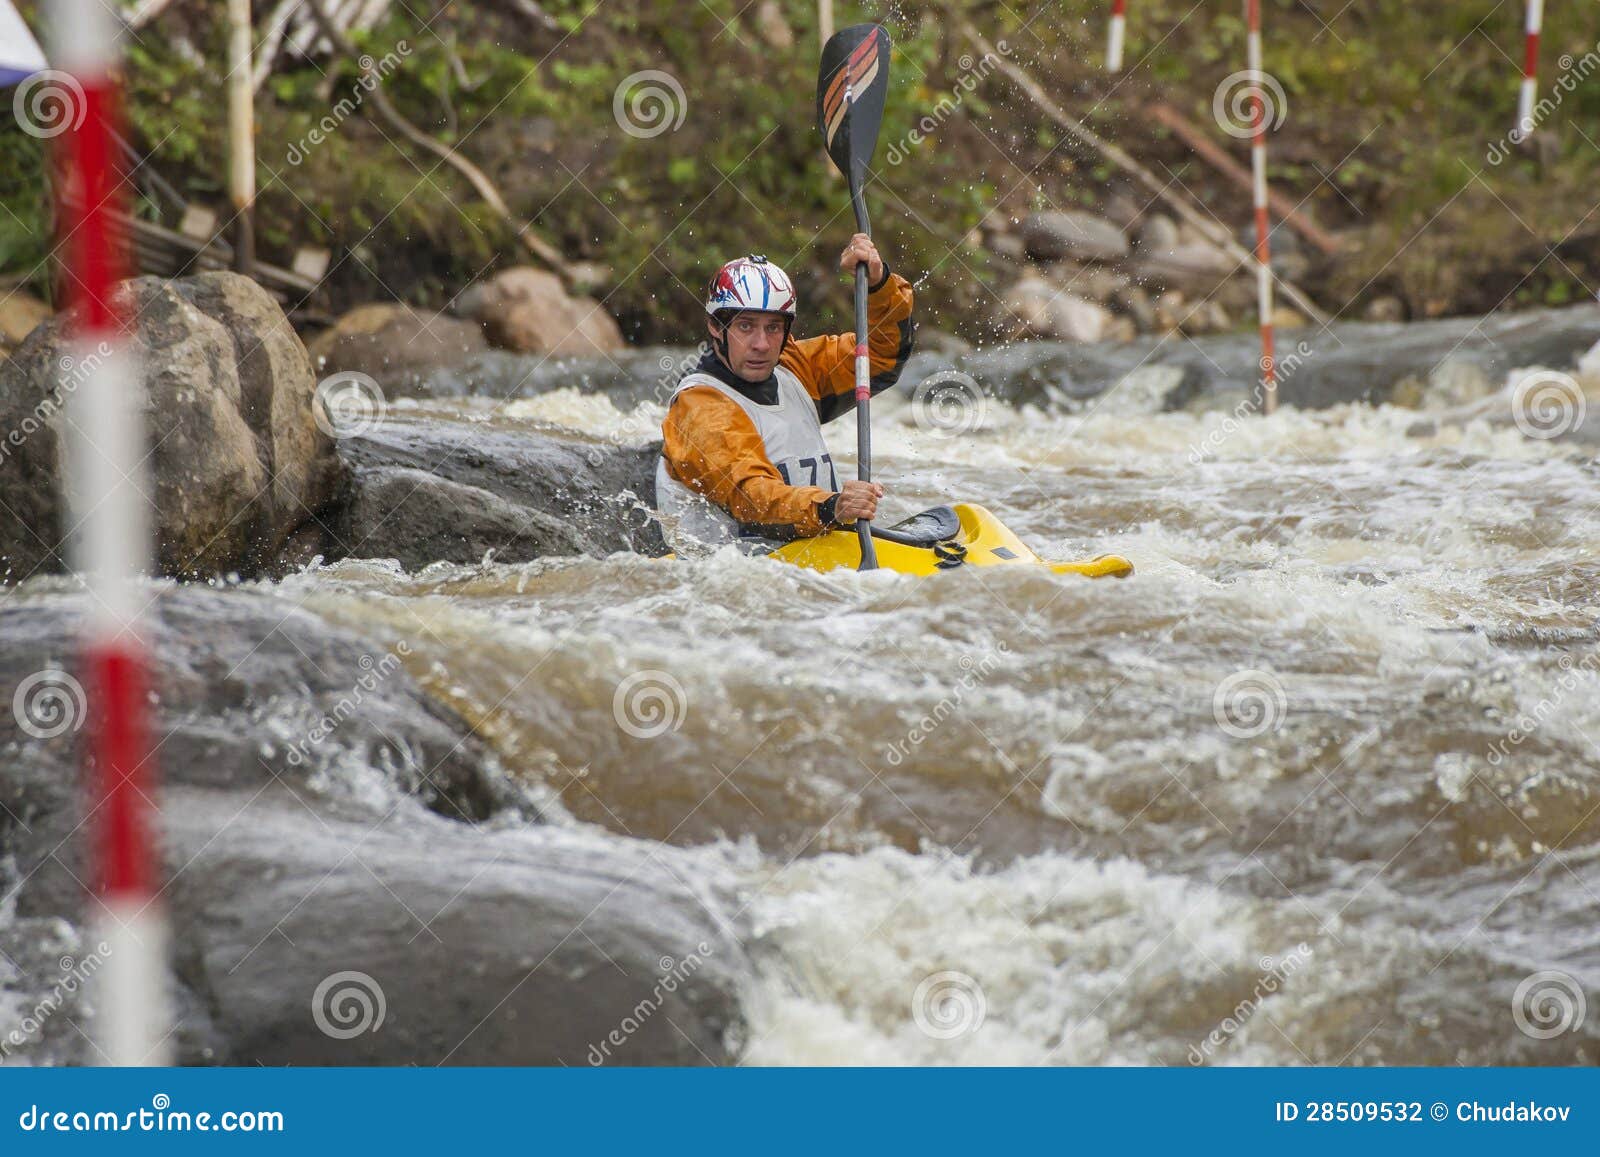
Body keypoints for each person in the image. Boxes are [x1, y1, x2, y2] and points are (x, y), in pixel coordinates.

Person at [656, 234, 915, 547]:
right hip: (734, 576)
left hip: (809, 555)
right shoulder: (700, 408)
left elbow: (881, 356)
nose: (761, 344)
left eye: (773, 327)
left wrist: (877, 283)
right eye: (745, 326)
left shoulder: (797, 368)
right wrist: (831, 507)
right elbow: (752, 497)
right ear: (716, 327)